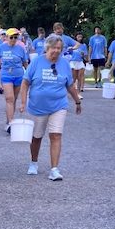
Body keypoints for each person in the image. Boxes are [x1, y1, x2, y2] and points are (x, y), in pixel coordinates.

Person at [18, 34, 82, 180]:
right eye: (54, 48)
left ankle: (54, 169)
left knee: (56, 135)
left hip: (58, 105)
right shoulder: (37, 62)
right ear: (47, 47)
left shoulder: (64, 63)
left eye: (59, 48)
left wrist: (77, 101)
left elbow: (70, 85)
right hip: (37, 106)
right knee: (36, 137)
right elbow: (25, 82)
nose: (57, 51)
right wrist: (23, 102)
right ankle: (34, 163)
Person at [0, 28, 29, 132]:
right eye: (11, 37)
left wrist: (29, 75)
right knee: (9, 98)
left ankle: (9, 120)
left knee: (14, 99)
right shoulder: (1, 47)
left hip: (18, 75)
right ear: (7, 37)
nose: (13, 39)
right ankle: (10, 123)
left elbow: (25, 63)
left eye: (15, 37)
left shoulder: (21, 48)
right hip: (6, 74)